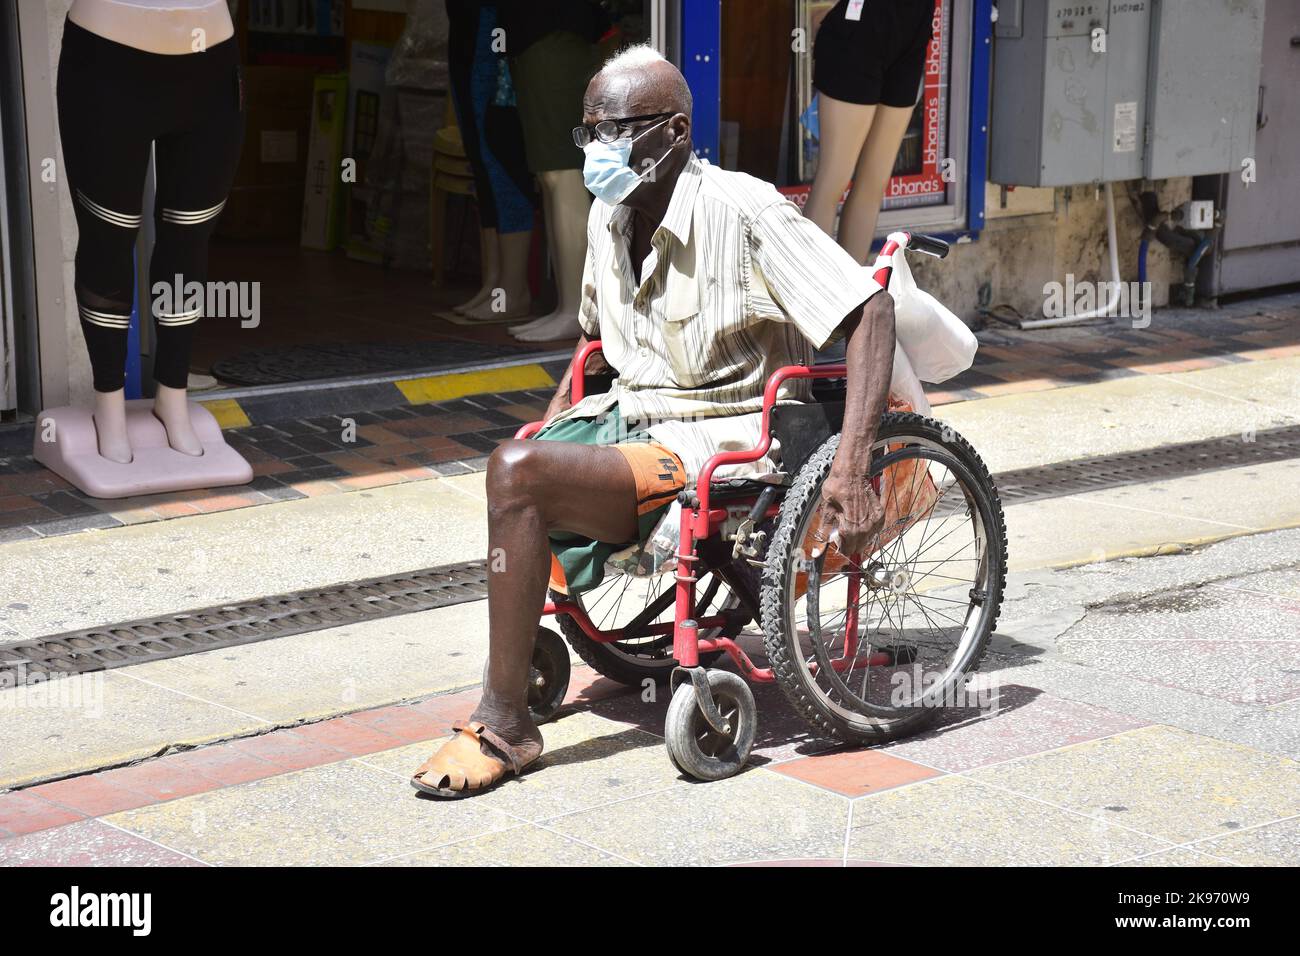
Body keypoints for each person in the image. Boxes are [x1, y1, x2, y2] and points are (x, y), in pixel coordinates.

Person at [411, 45, 895, 798]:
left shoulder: (746, 210)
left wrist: (851, 465)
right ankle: (515, 673)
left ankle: (505, 722)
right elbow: (597, 338)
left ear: (673, 132)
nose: (597, 152)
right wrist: (553, 424)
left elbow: (869, 310)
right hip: (633, 416)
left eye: (614, 132)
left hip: (719, 436)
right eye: (588, 134)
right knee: (520, 459)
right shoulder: (611, 213)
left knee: (517, 474)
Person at [804, 0, 934, 263]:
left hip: (913, 23)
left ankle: (854, 298)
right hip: (859, 21)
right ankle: (808, 296)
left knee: (873, 182)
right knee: (834, 178)